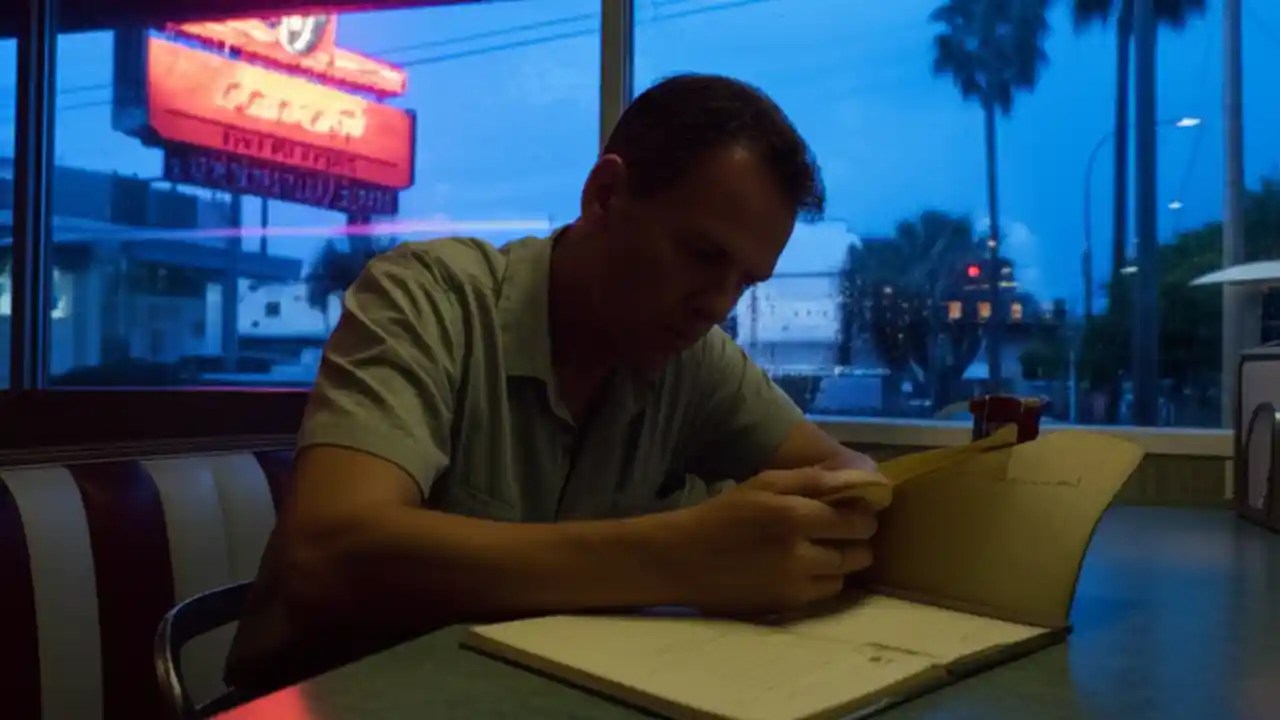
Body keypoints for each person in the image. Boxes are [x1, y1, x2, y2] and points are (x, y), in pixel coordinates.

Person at [225, 73, 887, 692]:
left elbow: (847, 472)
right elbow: (327, 555)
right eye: (702, 255)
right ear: (604, 197)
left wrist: (827, 511)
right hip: (331, 696)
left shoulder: (693, 353)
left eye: (745, 280)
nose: (718, 304)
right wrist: (684, 555)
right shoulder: (429, 298)